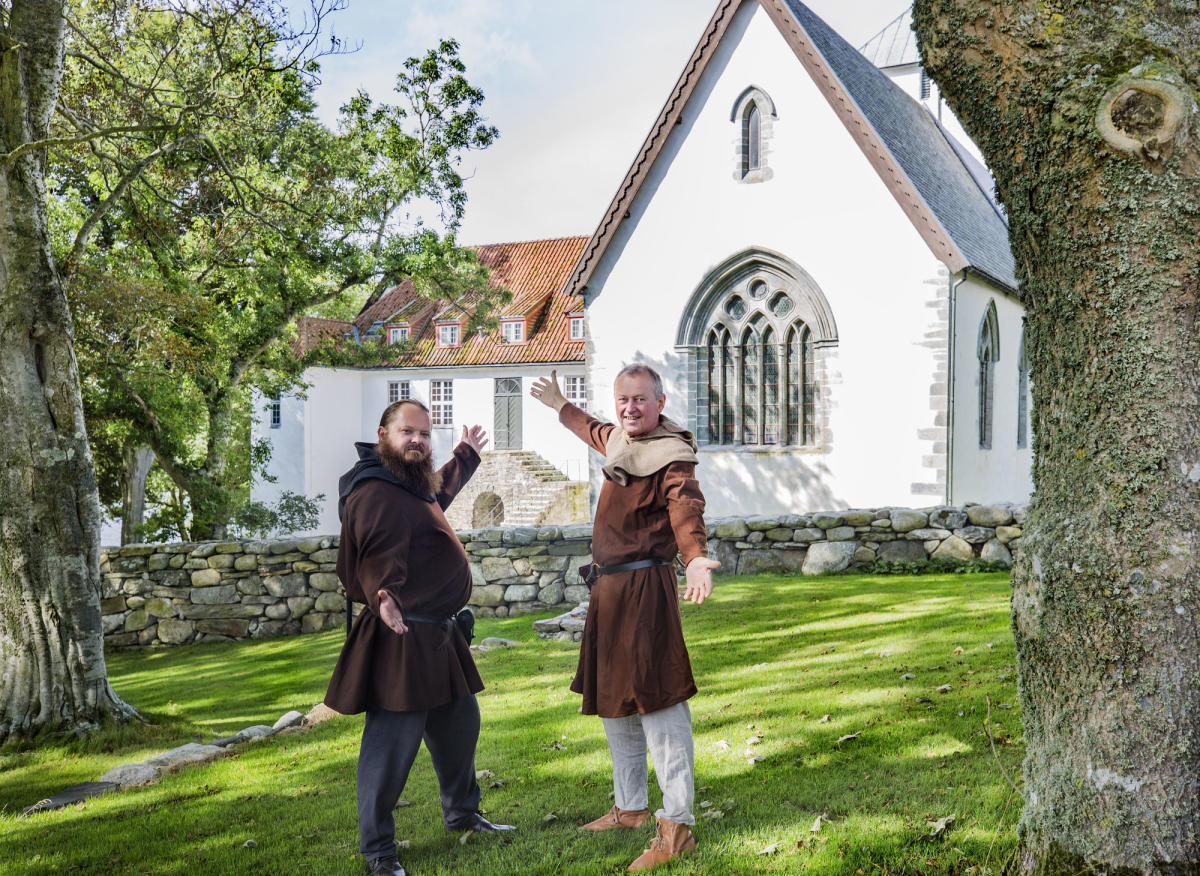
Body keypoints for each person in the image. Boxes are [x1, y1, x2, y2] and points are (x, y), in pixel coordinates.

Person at [531, 364, 720, 870]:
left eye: (640, 399)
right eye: (623, 400)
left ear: (660, 402)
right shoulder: (621, 442)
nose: (629, 408)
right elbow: (592, 428)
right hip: (609, 593)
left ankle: (676, 826)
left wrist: (696, 557)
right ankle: (631, 807)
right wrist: (558, 405)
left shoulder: (672, 457)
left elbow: (686, 510)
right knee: (616, 703)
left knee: (660, 706)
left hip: (646, 592)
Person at [323, 399, 515, 876]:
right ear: (382, 434)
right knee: (391, 749)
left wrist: (465, 456)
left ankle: (464, 815)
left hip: (440, 636)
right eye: (407, 432)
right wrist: (382, 593)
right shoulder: (372, 491)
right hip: (400, 636)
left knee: (459, 728)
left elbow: (435, 496)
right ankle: (379, 852)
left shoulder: (406, 483)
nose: (417, 441)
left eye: (425, 435)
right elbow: (373, 547)